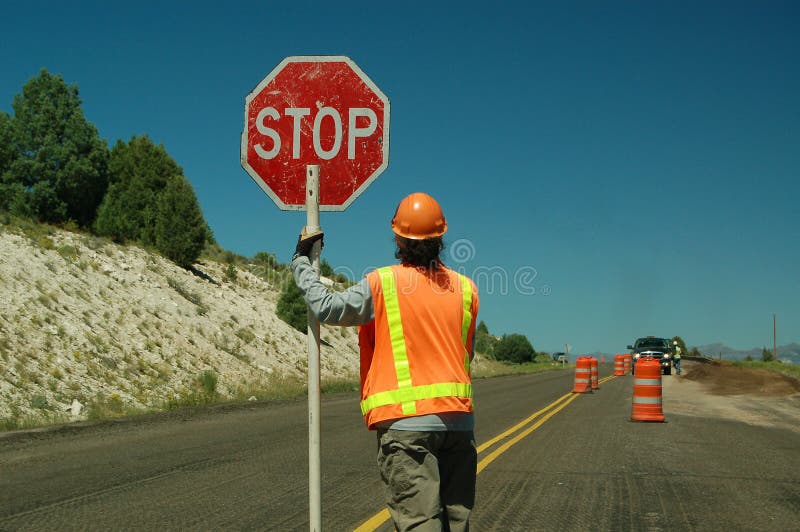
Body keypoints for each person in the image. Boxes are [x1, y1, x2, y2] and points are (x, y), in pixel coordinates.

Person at [290, 192, 480, 531]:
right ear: (440, 238)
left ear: (398, 238)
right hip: (459, 423)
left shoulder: (385, 283)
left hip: (407, 426)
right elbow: (467, 354)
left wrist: (301, 262)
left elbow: (327, 308)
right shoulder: (466, 289)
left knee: (421, 523)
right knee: (456, 523)